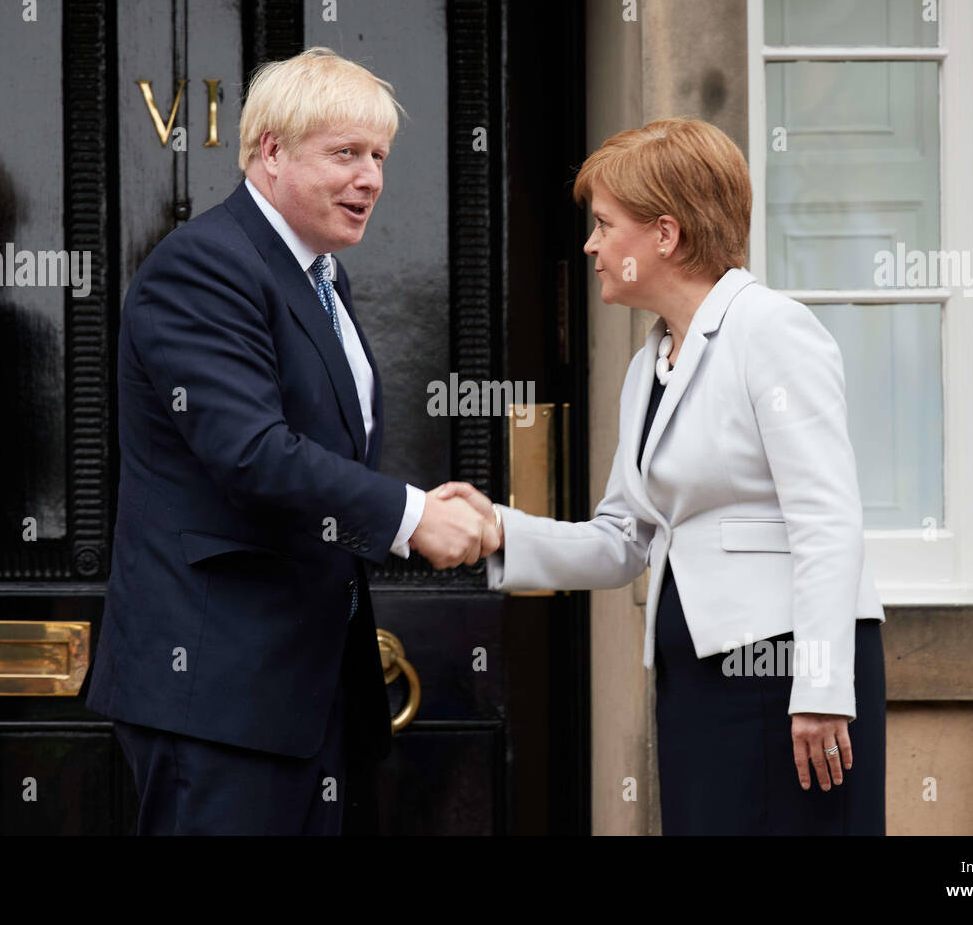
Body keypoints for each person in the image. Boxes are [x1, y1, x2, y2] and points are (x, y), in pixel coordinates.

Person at [85, 47, 498, 835]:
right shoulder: (206, 265)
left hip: (304, 694)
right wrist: (411, 517)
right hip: (218, 697)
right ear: (270, 152)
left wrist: (418, 505)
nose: (371, 178)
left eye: (378, 156)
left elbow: (321, 452)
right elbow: (251, 453)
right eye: (345, 153)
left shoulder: (321, 276)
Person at [439, 116, 886, 834]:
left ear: (666, 236)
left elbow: (827, 517)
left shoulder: (771, 329)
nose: (590, 244)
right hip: (697, 677)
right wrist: (499, 531)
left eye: (605, 224)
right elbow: (624, 539)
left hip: (786, 677)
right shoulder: (650, 364)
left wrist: (824, 686)